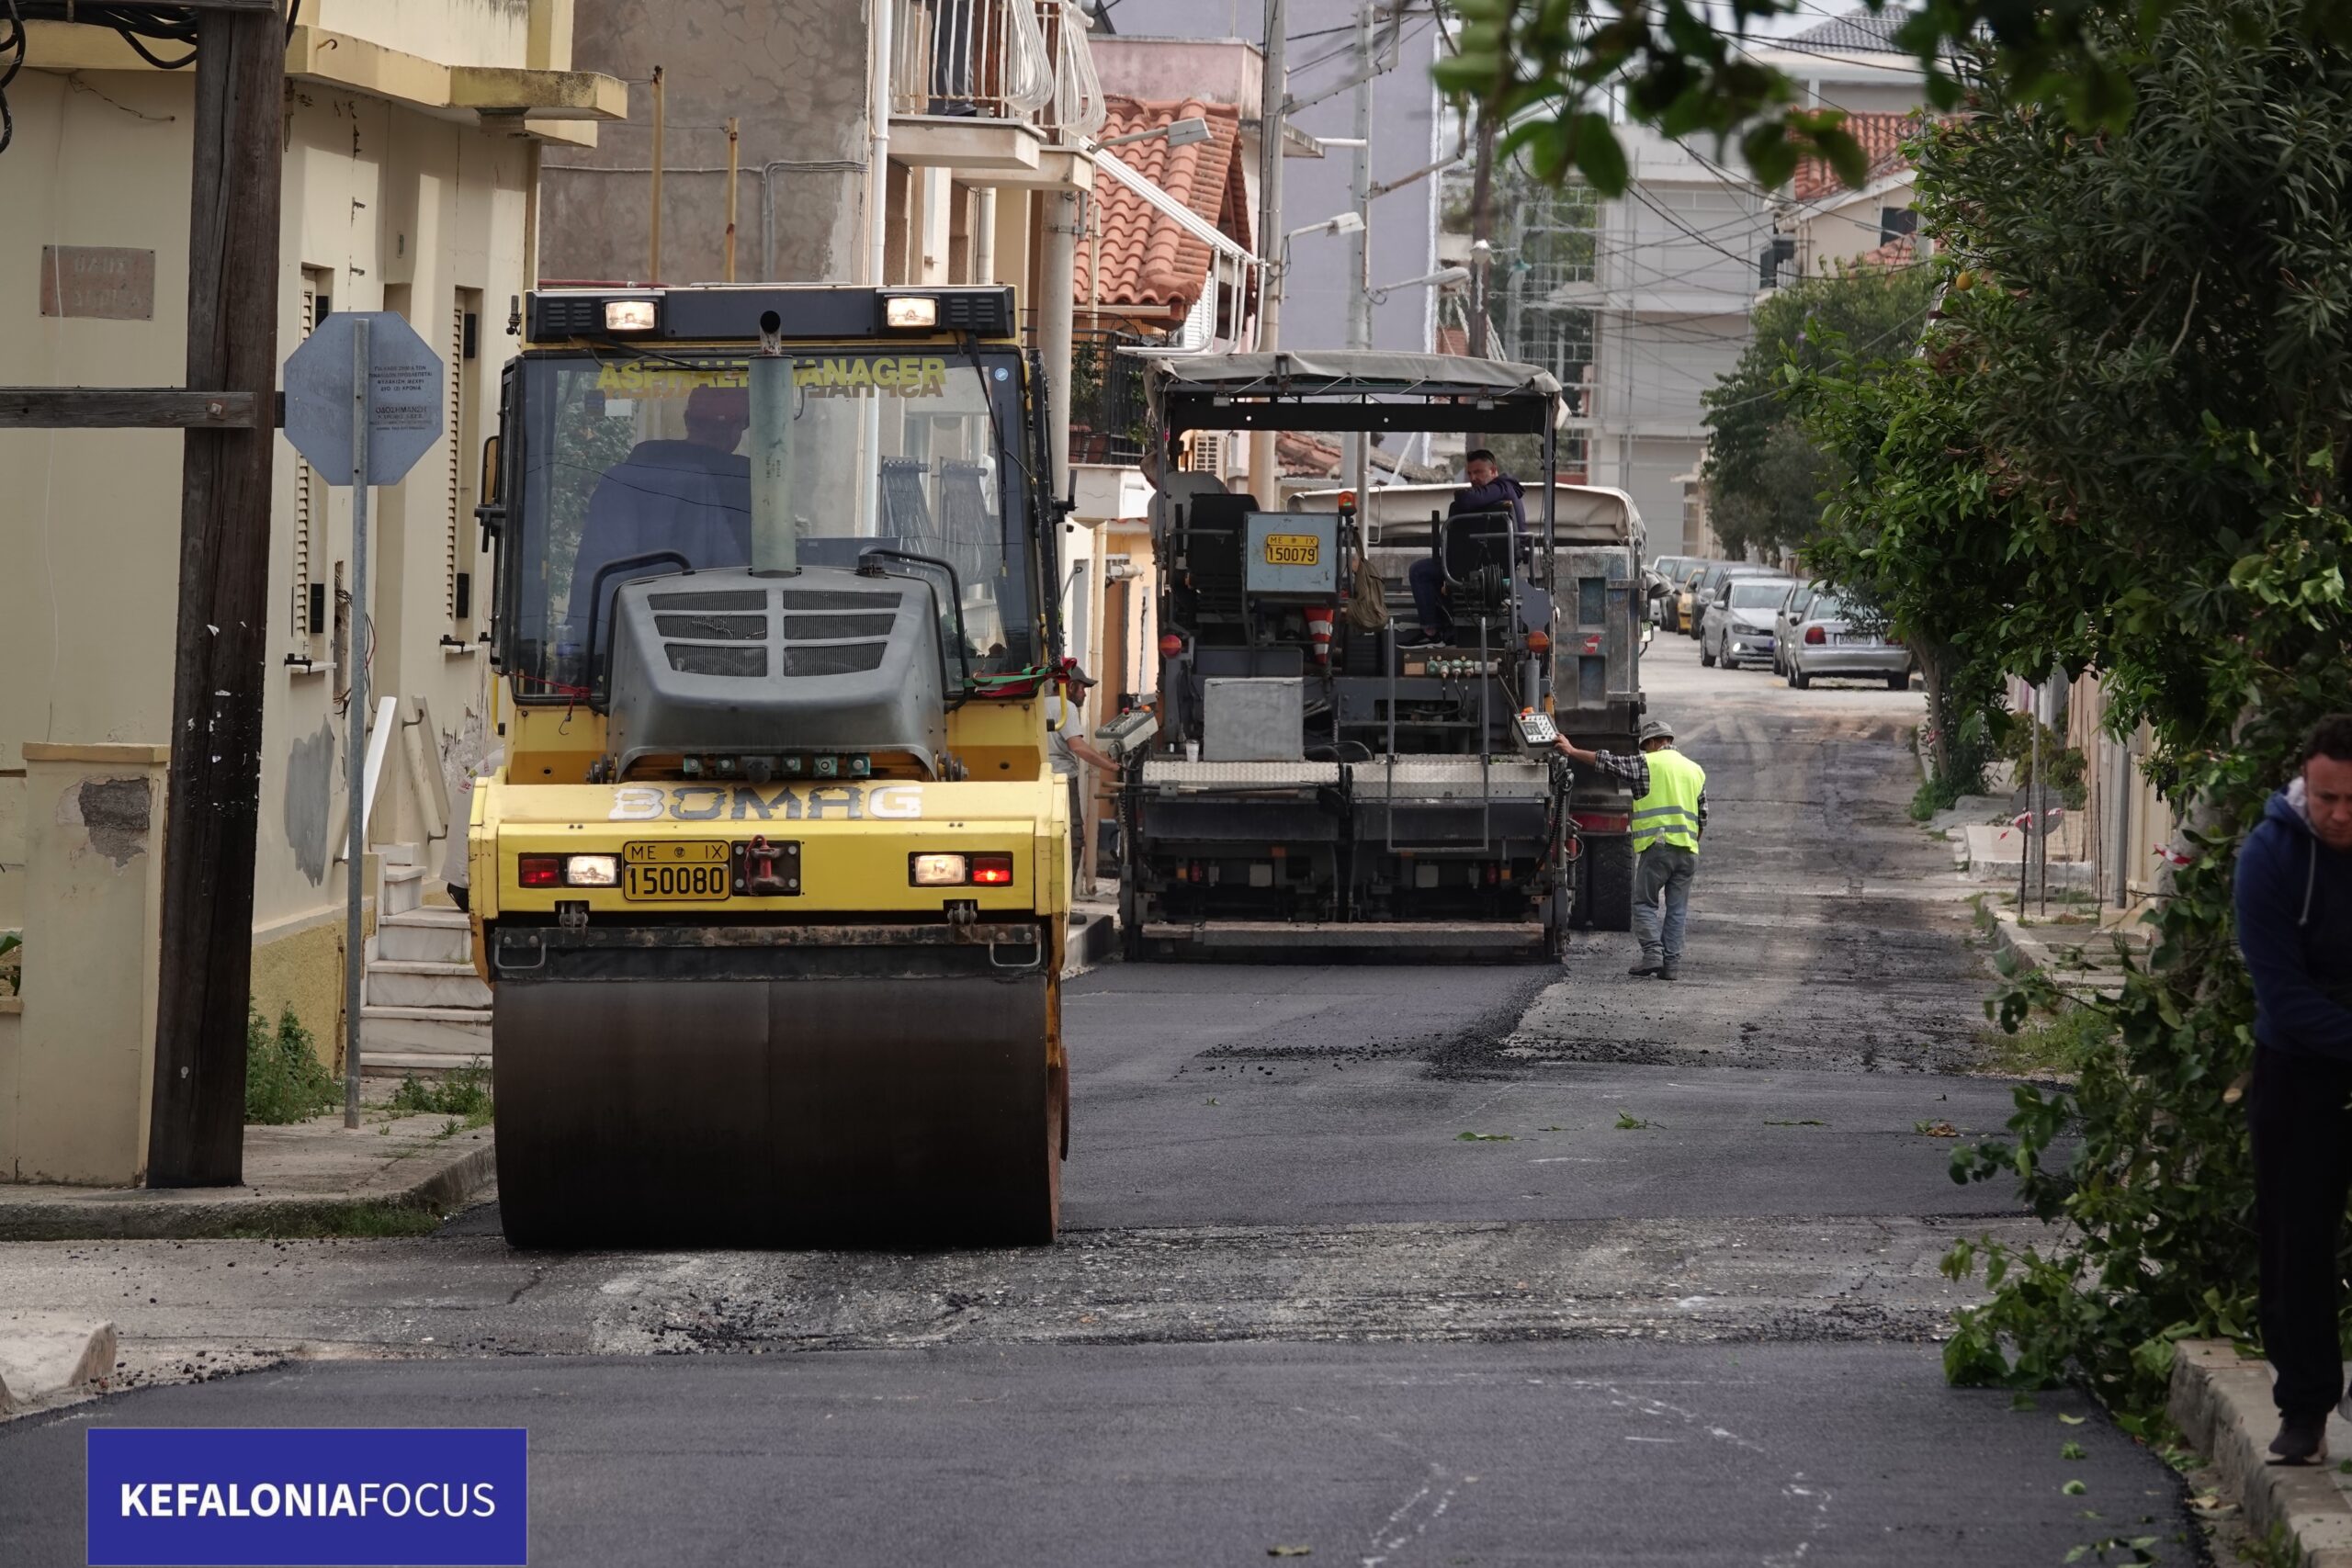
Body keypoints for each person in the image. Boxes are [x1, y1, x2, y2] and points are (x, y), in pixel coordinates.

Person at [2235, 714, 2352, 1465]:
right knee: (2296, 1243)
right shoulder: (2269, 856)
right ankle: (2305, 1407)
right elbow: (2281, 992)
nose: (2340, 814)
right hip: (2297, 1062)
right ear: (2304, 784)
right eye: (2327, 797)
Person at [564, 383, 754, 660]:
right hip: (724, 653)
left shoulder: (622, 479)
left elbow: (593, 583)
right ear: (737, 428)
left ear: (687, 420)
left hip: (628, 655)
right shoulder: (751, 485)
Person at [1555, 717, 1707, 979]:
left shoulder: (1647, 764)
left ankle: (1652, 954)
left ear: (1655, 742)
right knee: (1677, 909)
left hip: (1658, 847)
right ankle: (1670, 966)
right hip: (1688, 851)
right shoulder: (1695, 770)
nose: (1645, 751)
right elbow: (1703, 816)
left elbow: (1607, 762)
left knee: (1644, 904)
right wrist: (1689, 843)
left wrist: (1571, 751)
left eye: (1646, 746)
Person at [1408, 449, 1528, 647]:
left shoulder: (1503, 487)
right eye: (1470, 474)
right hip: (1479, 565)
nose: (1473, 478)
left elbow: (1465, 500)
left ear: (1493, 470)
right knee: (1443, 577)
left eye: (1478, 472)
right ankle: (1450, 631)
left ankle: (1431, 632)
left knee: (1420, 571)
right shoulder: (1496, 494)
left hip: (1489, 569)